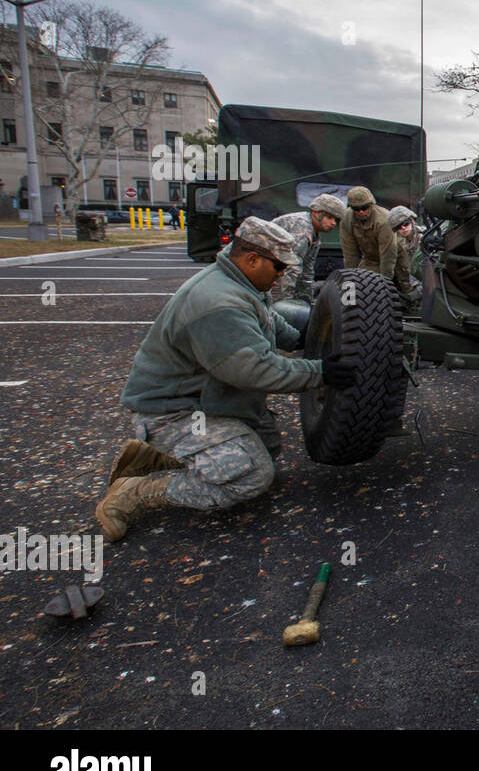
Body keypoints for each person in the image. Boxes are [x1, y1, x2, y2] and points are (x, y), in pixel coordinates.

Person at [95, 217, 356, 541]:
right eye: (277, 267)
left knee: (267, 446)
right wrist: (320, 373)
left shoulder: (240, 286)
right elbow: (254, 370)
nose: (281, 276)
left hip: (207, 399)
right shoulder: (217, 302)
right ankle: (134, 493)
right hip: (175, 411)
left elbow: (270, 324)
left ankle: (156, 456)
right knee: (251, 474)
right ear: (252, 259)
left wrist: (311, 336)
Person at [270, 193, 347, 303]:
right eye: (329, 217)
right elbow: (290, 267)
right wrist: (284, 301)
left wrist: (308, 299)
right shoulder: (302, 228)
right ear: (316, 213)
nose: (333, 223)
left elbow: (307, 270)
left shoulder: (314, 235)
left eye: (336, 220)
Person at [386, 204, 422, 310]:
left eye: (406, 223)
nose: (403, 228)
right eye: (398, 227)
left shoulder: (424, 239)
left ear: (413, 221)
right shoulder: (402, 243)